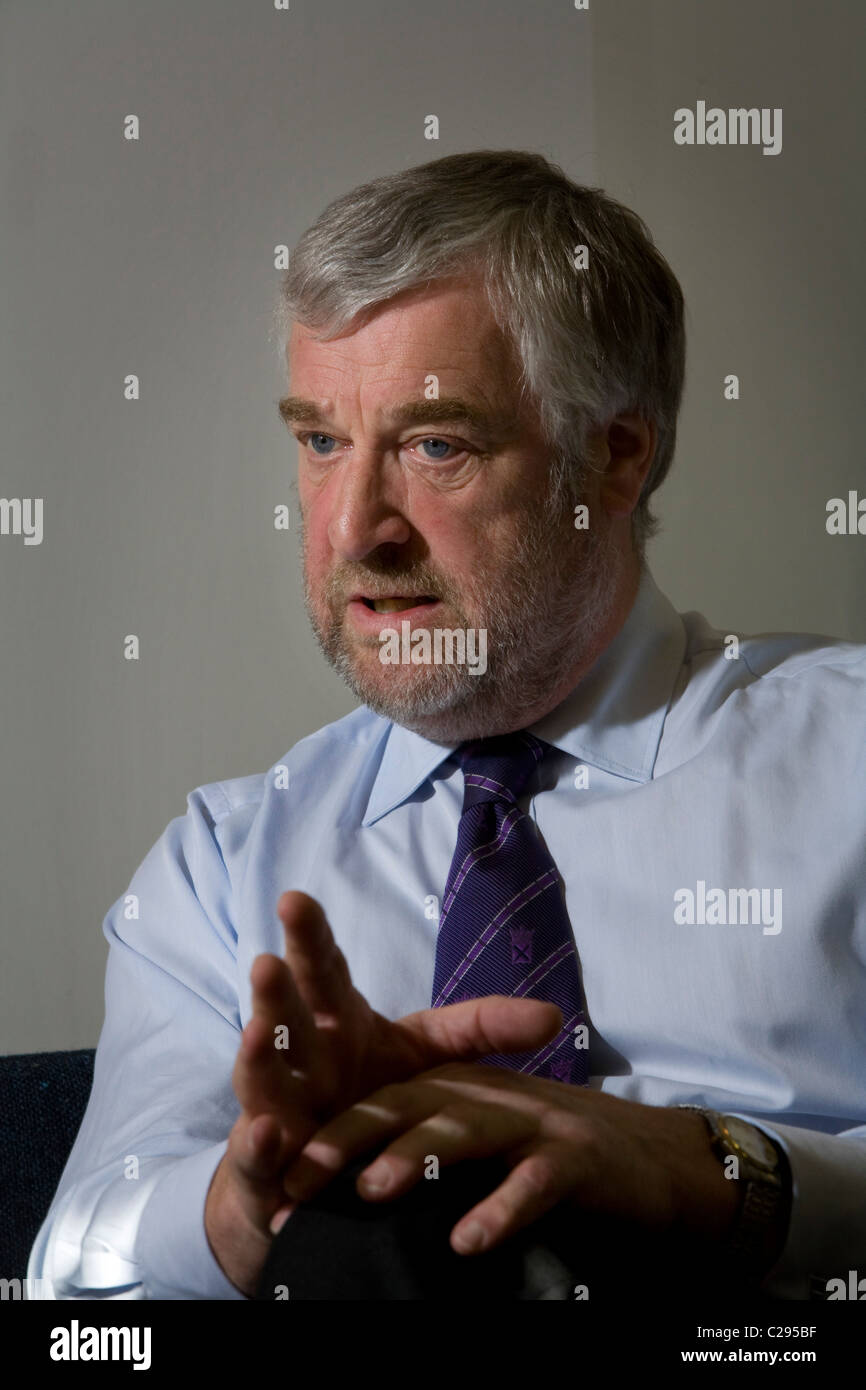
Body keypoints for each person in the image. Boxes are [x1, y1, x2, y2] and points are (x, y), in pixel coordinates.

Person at [28, 150, 866, 1302]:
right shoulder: (222, 873)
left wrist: (723, 1173)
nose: (353, 530)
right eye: (321, 442)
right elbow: (75, 1269)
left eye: (435, 445)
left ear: (614, 457)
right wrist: (244, 1204)